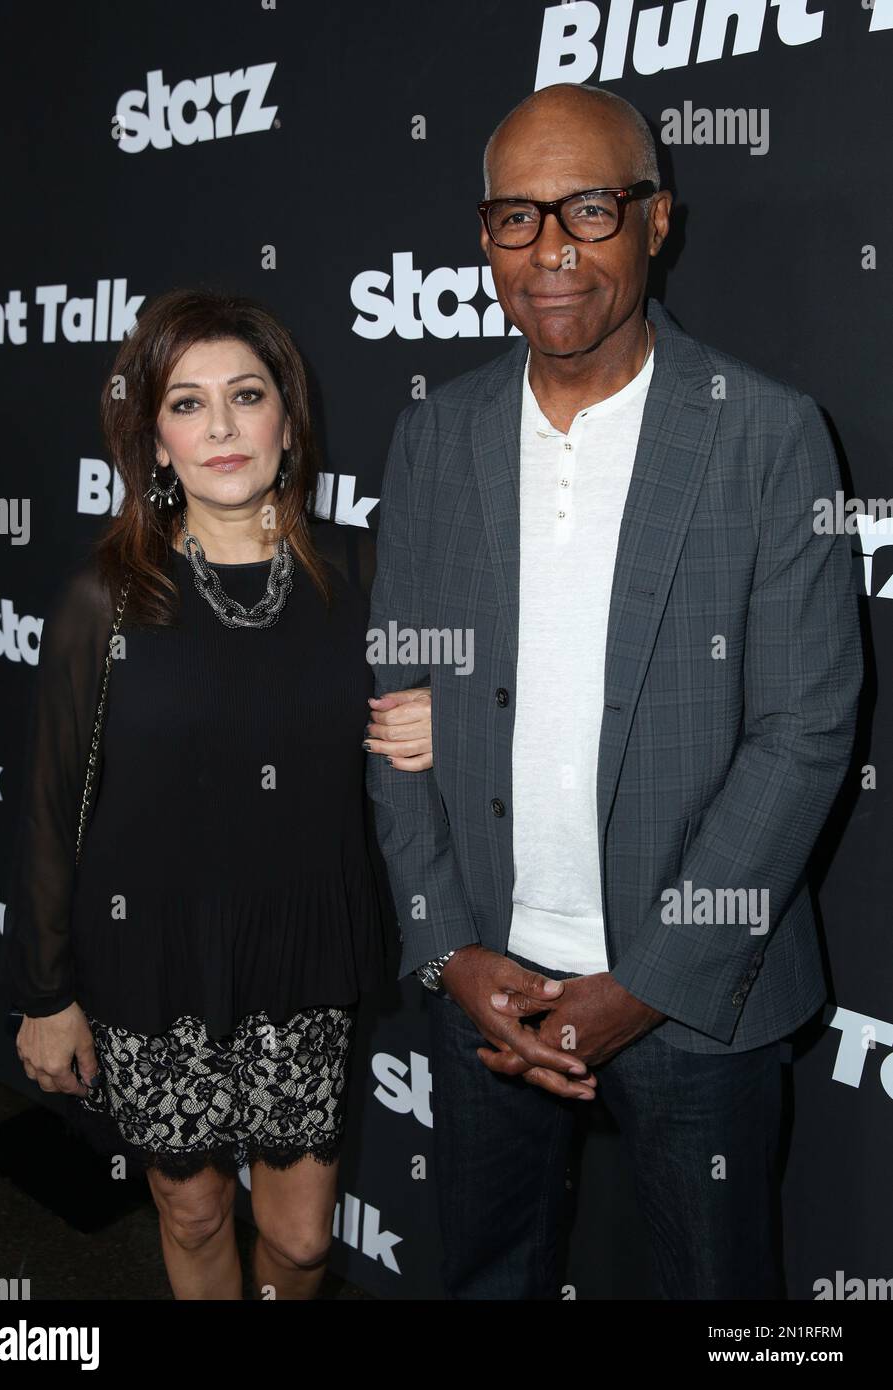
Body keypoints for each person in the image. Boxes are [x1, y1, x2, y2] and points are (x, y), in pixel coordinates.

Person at [366, 82, 864, 1299]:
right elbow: (399, 704)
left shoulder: (766, 434)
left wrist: (642, 984)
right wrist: (447, 950)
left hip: (697, 1002)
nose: (551, 254)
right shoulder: (440, 435)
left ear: (656, 221)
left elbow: (803, 733)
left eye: (588, 208)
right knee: (483, 1278)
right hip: (489, 981)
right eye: (514, 219)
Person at [3, 287, 433, 1301]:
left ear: (287, 418)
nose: (222, 426)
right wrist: (45, 993)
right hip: (151, 957)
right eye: (187, 404)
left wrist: (448, 726)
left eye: (245, 395)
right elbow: (52, 807)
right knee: (192, 1212)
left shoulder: (360, 574)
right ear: (154, 440)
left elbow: (457, 717)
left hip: (302, 952)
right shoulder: (106, 595)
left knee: (299, 1244)